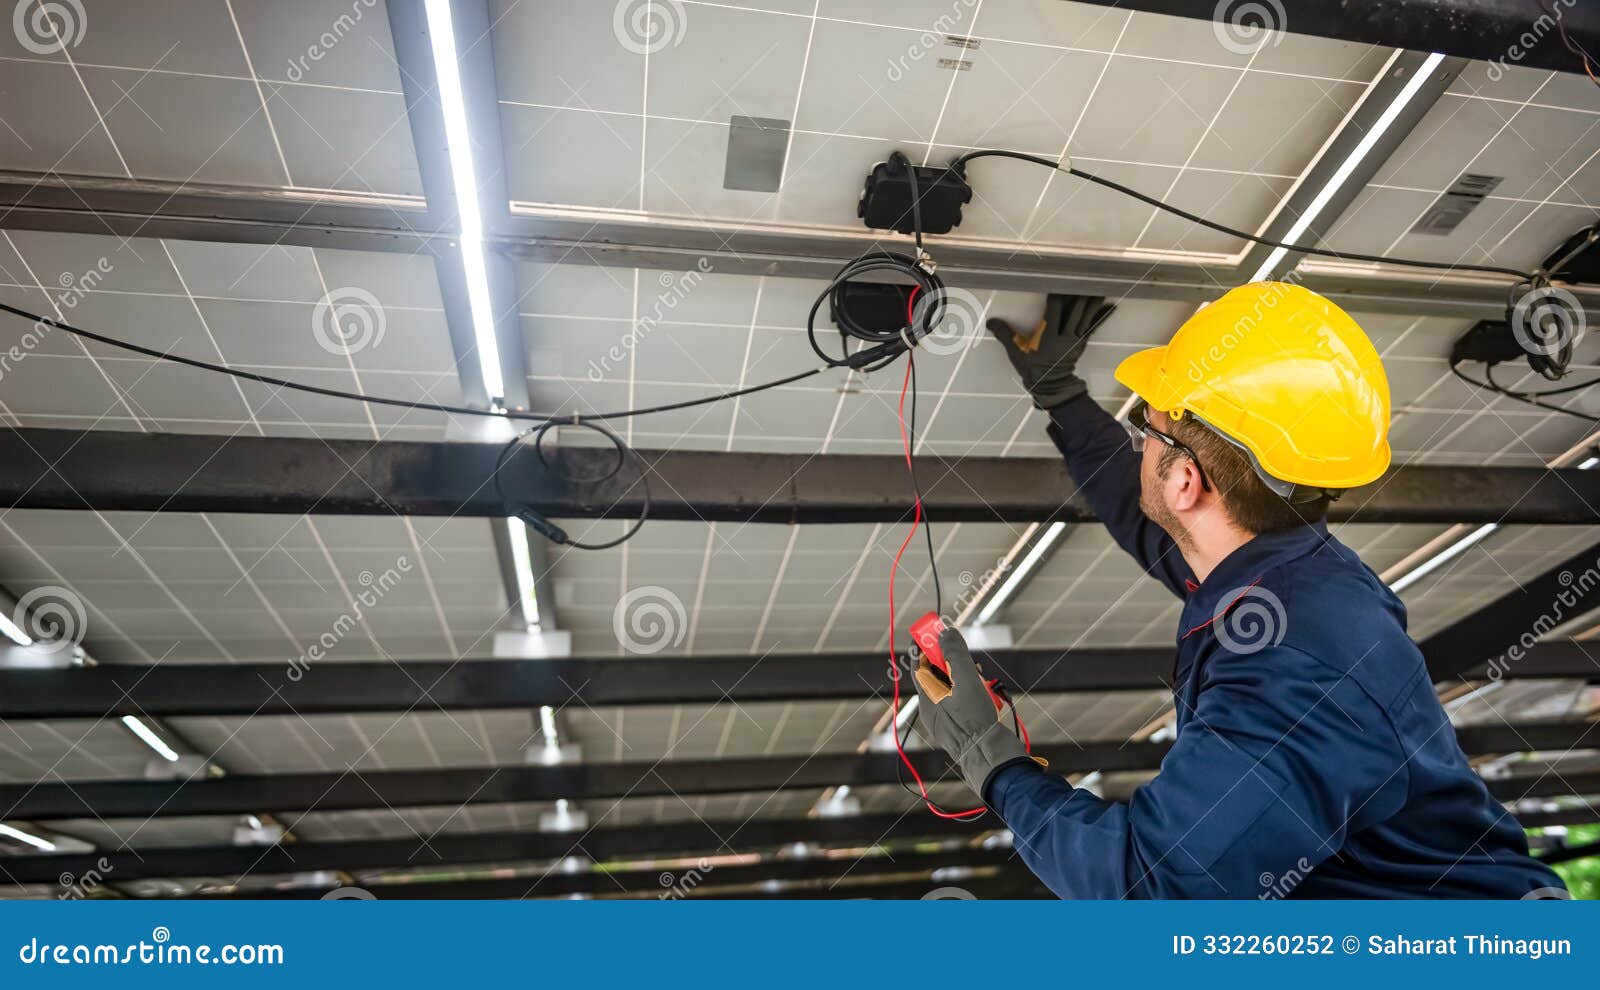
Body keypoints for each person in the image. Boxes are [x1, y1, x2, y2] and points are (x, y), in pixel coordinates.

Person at [912, 283, 1566, 898]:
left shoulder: (1291, 667)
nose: (1139, 439)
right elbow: (1159, 524)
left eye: (1146, 429)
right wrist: (1062, 398)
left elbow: (1156, 887)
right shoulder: (1289, 573)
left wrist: (994, 765)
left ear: (1187, 483)